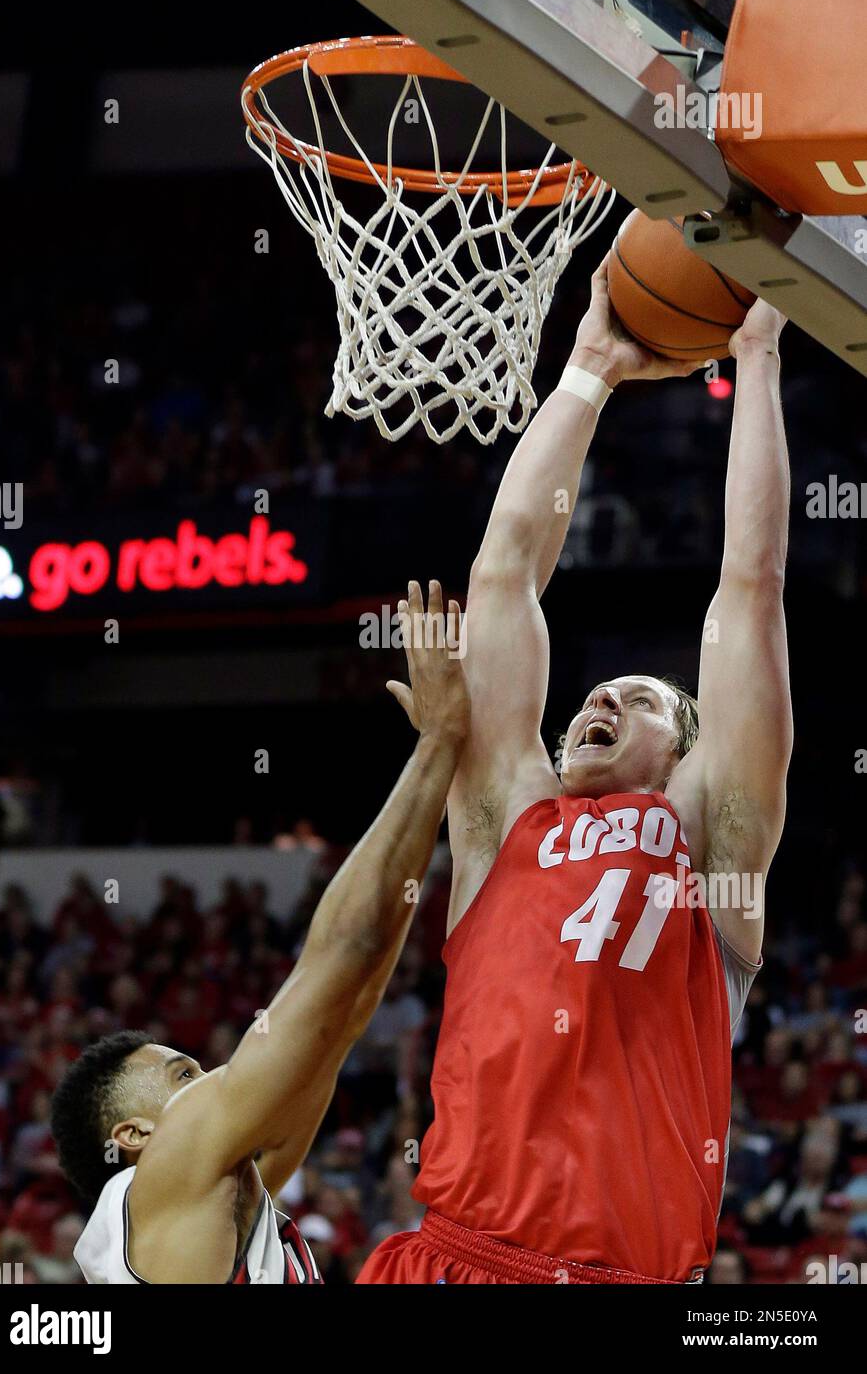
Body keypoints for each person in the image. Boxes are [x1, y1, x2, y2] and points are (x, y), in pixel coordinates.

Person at [358, 262, 793, 1285]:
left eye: (639, 700)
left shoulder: (708, 841)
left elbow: (751, 585)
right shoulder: (504, 817)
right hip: (452, 1257)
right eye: (595, 695)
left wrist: (757, 357)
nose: (601, 701)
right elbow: (503, 573)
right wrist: (587, 371)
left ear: (685, 752)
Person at [51, 583, 468, 1284]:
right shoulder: (162, 1178)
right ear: (132, 1136)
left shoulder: (222, 1193)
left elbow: (348, 1006)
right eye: (184, 1075)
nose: (216, 1074)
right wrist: (438, 744)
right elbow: (342, 957)